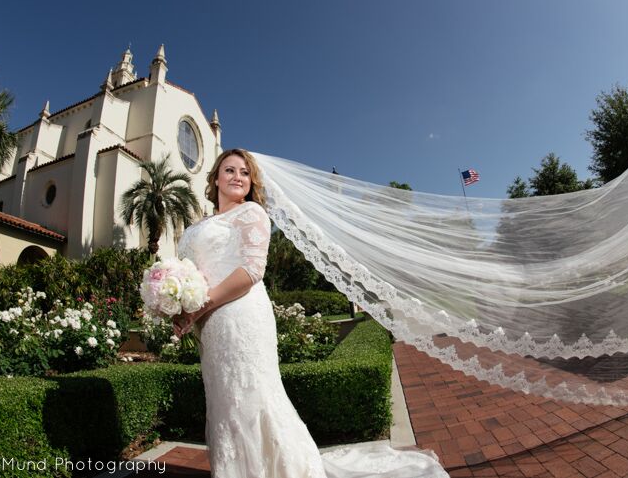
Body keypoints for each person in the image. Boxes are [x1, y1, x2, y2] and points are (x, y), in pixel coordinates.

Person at [173, 148, 449, 478]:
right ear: (216, 178)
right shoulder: (201, 223)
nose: (237, 177)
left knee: (252, 396)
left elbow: (251, 271)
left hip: (239, 317)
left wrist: (200, 306)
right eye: (230, 170)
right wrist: (177, 303)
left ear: (252, 182)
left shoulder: (252, 213)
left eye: (245, 173)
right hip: (209, 327)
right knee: (224, 401)